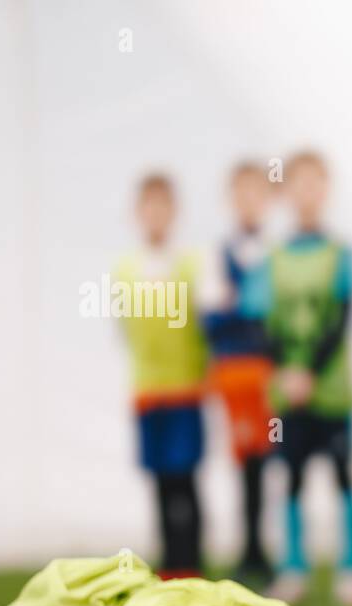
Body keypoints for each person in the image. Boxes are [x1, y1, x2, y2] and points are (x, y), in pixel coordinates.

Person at [264, 151, 352, 606]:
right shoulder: (273, 259)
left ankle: (351, 567)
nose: (307, 193)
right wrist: (286, 372)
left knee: (344, 475)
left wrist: (308, 371)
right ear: (286, 192)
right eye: (298, 184)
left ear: (326, 191)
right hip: (289, 393)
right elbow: (262, 324)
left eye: (315, 184)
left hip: (332, 391)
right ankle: (294, 567)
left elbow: (342, 320)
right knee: (291, 476)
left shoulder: (341, 255)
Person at [115, 173, 207, 579]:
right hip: (148, 391)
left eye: (162, 206)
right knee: (159, 482)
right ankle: (169, 564)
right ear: (137, 212)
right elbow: (126, 329)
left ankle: (191, 563)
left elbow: (203, 324)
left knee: (185, 478)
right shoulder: (125, 270)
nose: (155, 215)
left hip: (186, 390)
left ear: (175, 212)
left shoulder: (191, 265)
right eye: (148, 206)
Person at [203, 161, 275, 583]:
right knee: (244, 456)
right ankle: (249, 548)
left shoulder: (275, 253)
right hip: (234, 373)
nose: (248, 202)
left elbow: (273, 317)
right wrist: (245, 309)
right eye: (240, 193)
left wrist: (241, 306)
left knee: (265, 461)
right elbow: (212, 320)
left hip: (267, 373)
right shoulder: (219, 253)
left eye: (256, 192)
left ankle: (261, 549)